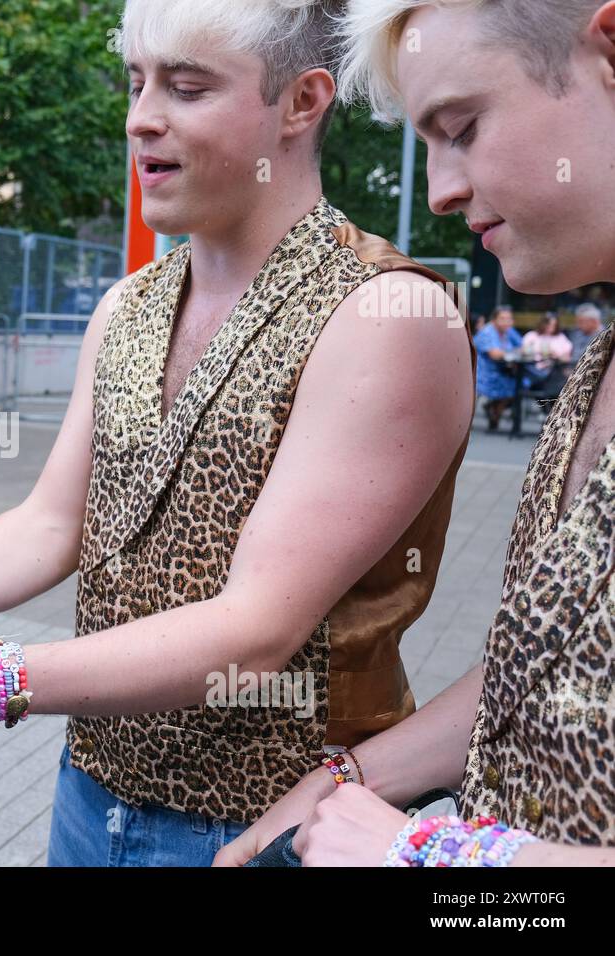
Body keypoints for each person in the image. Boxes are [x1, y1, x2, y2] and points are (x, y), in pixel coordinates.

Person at [0, 0, 473, 867]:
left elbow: (255, 628)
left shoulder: (385, 314)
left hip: (272, 830)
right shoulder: (127, 306)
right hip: (88, 798)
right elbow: (54, 525)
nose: (141, 117)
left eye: (187, 85)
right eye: (136, 82)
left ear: (302, 102)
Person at [219, 0, 615, 867]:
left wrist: (427, 857)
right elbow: (541, 678)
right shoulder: (594, 369)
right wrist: (353, 776)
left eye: (463, 128)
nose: (440, 192)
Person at [473, 305, 522, 430]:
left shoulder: (508, 331)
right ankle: (494, 412)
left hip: (502, 370)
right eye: (503, 318)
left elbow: (523, 346)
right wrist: (512, 352)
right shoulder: (487, 332)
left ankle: (493, 410)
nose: (506, 322)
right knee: (514, 385)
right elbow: (495, 354)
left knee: (520, 385)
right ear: (494, 319)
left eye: (509, 319)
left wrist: (511, 352)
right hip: (484, 373)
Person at [520, 312, 573, 401]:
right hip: (533, 369)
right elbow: (523, 351)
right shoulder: (532, 336)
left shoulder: (560, 337)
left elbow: (566, 357)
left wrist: (556, 356)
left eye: (554, 325)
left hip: (553, 371)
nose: (551, 327)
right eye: (548, 324)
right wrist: (538, 351)